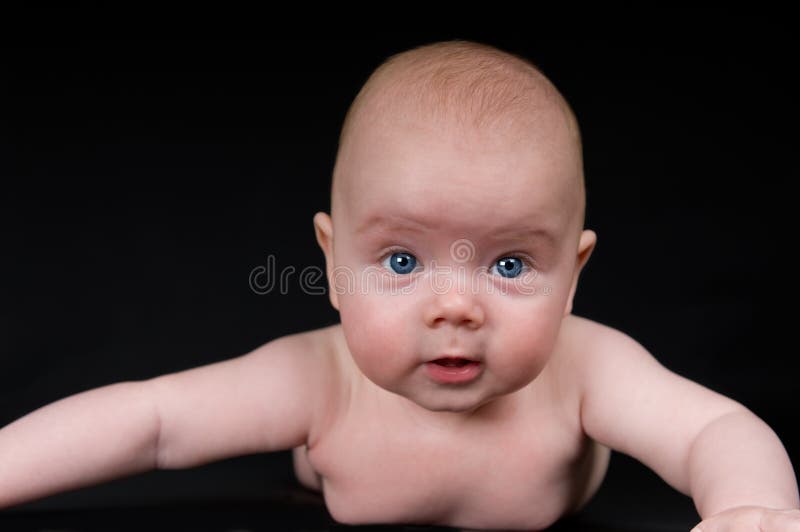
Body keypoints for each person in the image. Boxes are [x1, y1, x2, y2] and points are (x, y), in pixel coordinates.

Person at [1, 39, 798, 531]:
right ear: (333, 262)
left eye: (510, 265)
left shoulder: (587, 371)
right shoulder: (320, 376)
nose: (454, 307)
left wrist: (747, 509)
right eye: (403, 262)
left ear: (574, 277)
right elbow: (153, 421)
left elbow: (712, 431)